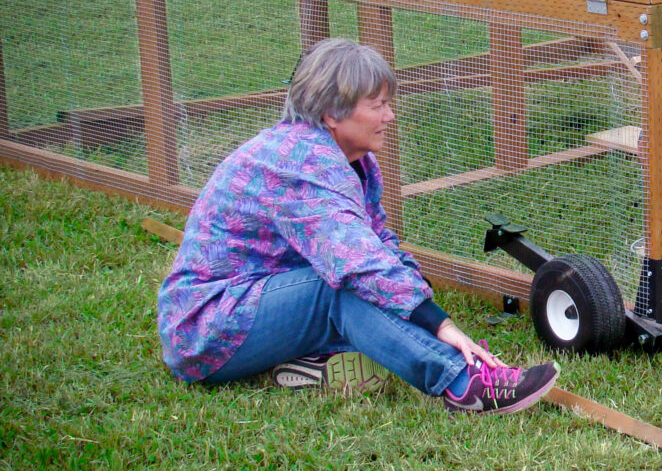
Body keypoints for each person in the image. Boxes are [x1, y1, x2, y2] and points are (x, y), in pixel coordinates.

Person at [157, 38, 560, 415]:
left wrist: (420, 309)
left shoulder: (351, 159)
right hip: (205, 328)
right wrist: (439, 323)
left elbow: (378, 242)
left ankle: (317, 362)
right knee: (341, 290)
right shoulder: (302, 162)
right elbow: (358, 265)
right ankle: (460, 382)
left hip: (261, 297)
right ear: (332, 112)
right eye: (377, 105)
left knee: (366, 291)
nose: (390, 115)